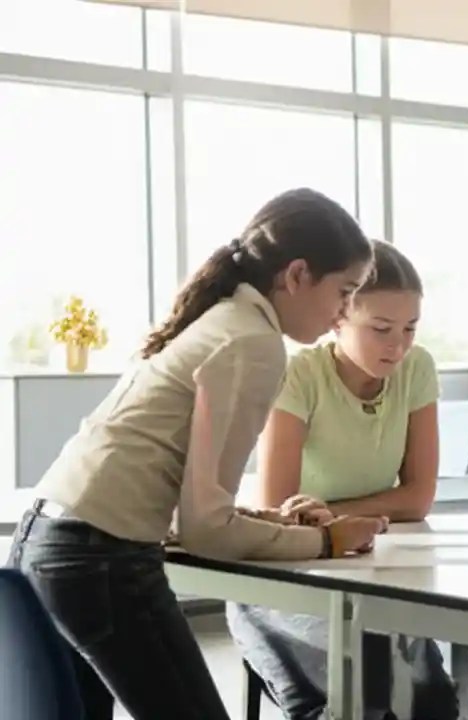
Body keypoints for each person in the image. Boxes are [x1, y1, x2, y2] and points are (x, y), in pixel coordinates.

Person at [5, 188, 388, 720]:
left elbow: (190, 506)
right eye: (344, 292)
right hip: (100, 560)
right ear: (297, 275)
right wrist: (324, 540)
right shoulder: (253, 342)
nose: (344, 313)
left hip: (44, 544)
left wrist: (264, 521)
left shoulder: (221, 320)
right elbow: (208, 529)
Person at [228, 240, 458, 719]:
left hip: (371, 570)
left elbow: (418, 498)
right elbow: (280, 505)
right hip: (286, 576)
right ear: (337, 319)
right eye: (380, 329)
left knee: (433, 702)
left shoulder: (417, 369)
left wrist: (332, 515)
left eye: (410, 328)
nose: (398, 345)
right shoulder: (299, 375)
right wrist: (353, 518)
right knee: (352, 694)